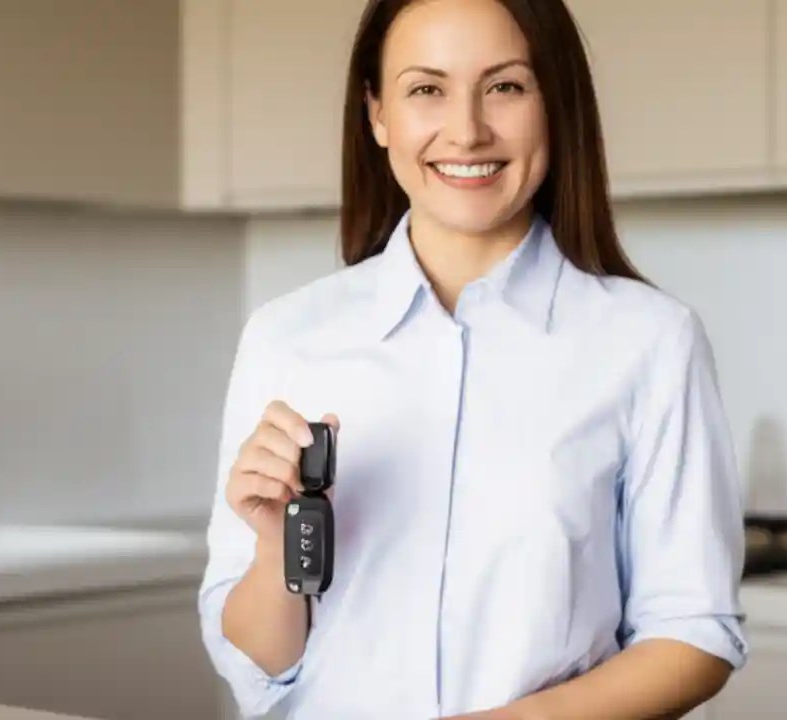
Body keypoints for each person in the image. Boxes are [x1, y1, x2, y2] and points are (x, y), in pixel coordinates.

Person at [198, 0, 747, 717]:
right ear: (377, 115)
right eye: (427, 89)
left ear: (555, 105)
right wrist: (277, 550)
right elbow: (258, 659)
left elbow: (693, 633)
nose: (466, 129)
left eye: (506, 87)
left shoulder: (649, 341)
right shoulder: (286, 336)